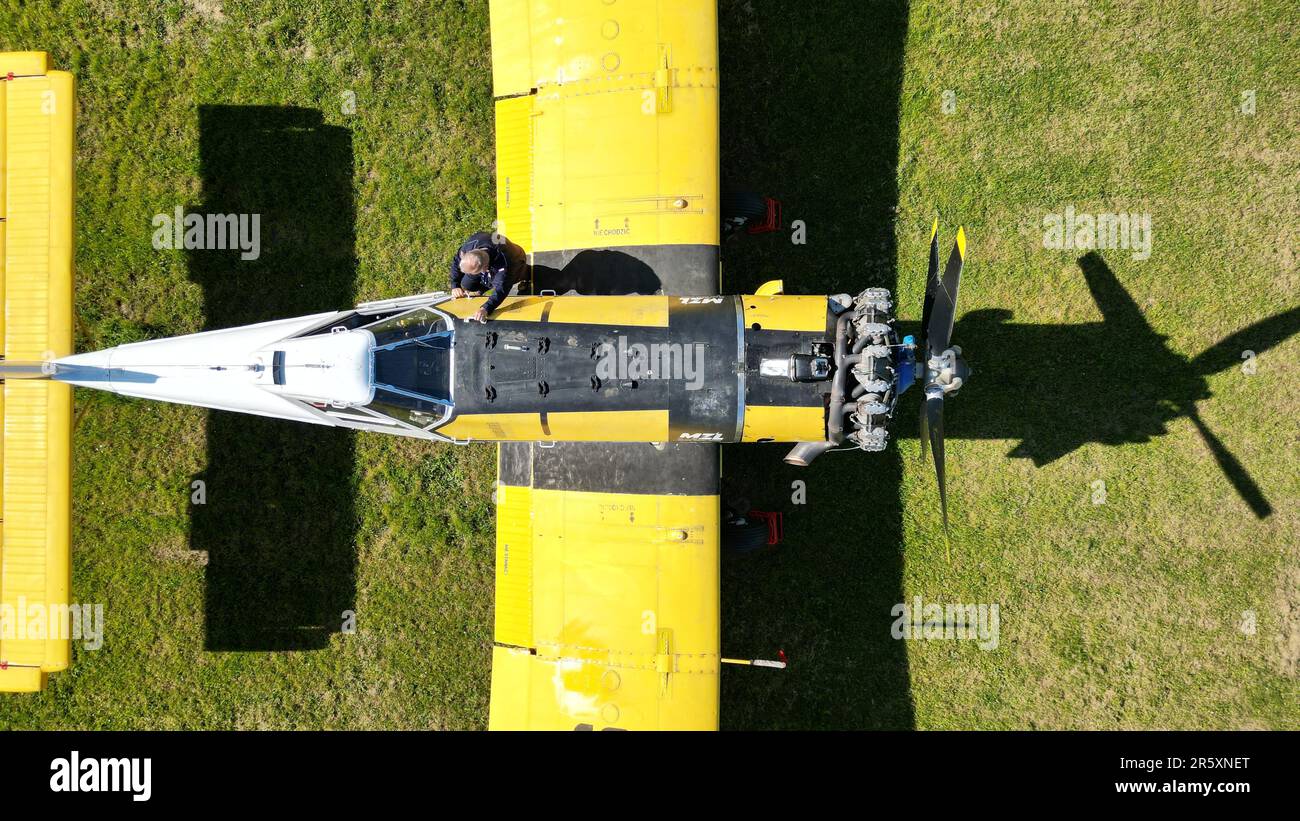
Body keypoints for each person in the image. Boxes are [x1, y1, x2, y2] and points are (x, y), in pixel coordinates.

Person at [450, 231, 528, 322]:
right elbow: (456, 261)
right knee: (467, 284)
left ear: (485, 268)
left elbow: (501, 289)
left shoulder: (505, 264)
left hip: (517, 260)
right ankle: (482, 288)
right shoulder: (468, 248)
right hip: (489, 258)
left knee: (500, 282)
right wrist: (455, 285)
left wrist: (485, 309)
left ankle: (524, 274)